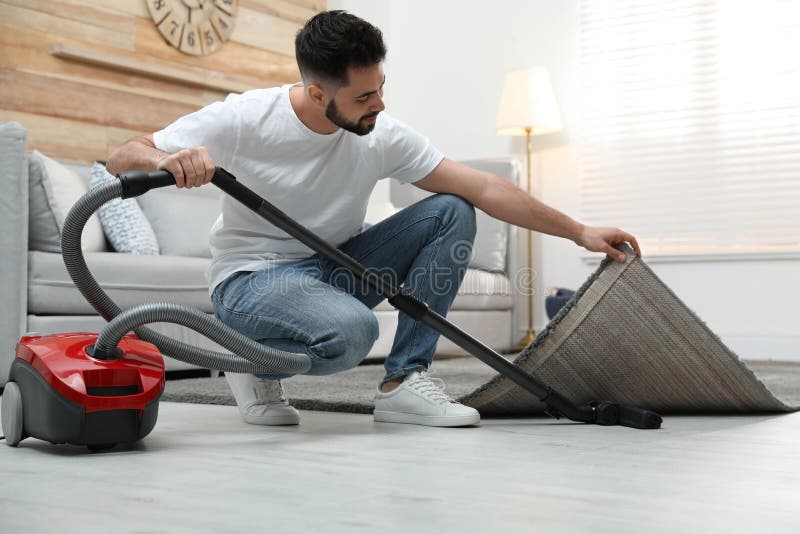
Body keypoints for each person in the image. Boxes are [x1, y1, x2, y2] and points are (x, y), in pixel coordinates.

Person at [106, 10, 640, 428]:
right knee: (355, 332)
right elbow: (120, 155)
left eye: (381, 87)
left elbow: (482, 185)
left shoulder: (380, 131)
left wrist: (580, 231)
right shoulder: (245, 119)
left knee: (451, 209)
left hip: (335, 268)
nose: (379, 104)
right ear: (318, 93)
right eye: (364, 96)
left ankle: (404, 383)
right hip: (253, 281)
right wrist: (164, 161)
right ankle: (253, 360)